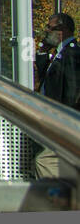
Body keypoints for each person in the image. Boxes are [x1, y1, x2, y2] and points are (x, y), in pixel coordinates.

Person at [33, 13, 80, 179]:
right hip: (55, 120)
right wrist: (42, 51)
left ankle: (59, 201)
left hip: (64, 123)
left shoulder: (72, 54)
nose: (46, 31)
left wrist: (66, 120)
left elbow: (73, 91)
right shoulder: (60, 52)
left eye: (50, 28)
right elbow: (45, 75)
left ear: (63, 30)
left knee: (43, 160)